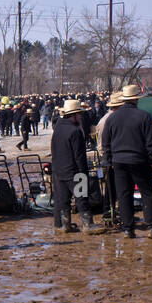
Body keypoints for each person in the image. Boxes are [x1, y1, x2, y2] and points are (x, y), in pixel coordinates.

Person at [102, 84, 152, 239]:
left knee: (124, 195)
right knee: (148, 194)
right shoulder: (144, 116)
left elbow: (106, 143)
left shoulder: (112, 118)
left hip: (118, 161)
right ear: (136, 99)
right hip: (139, 161)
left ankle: (128, 229)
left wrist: (109, 160)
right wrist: (151, 160)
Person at [50, 98, 93, 234]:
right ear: (73, 115)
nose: (81, 116)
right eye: (79, 114)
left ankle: (64, 225)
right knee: (82, 199)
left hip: (58, 170)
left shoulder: (58, 127)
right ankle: (87, 226)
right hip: (74, 170)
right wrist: (83, 173)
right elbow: (79, 156)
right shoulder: (75, 132)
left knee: (63, 200)